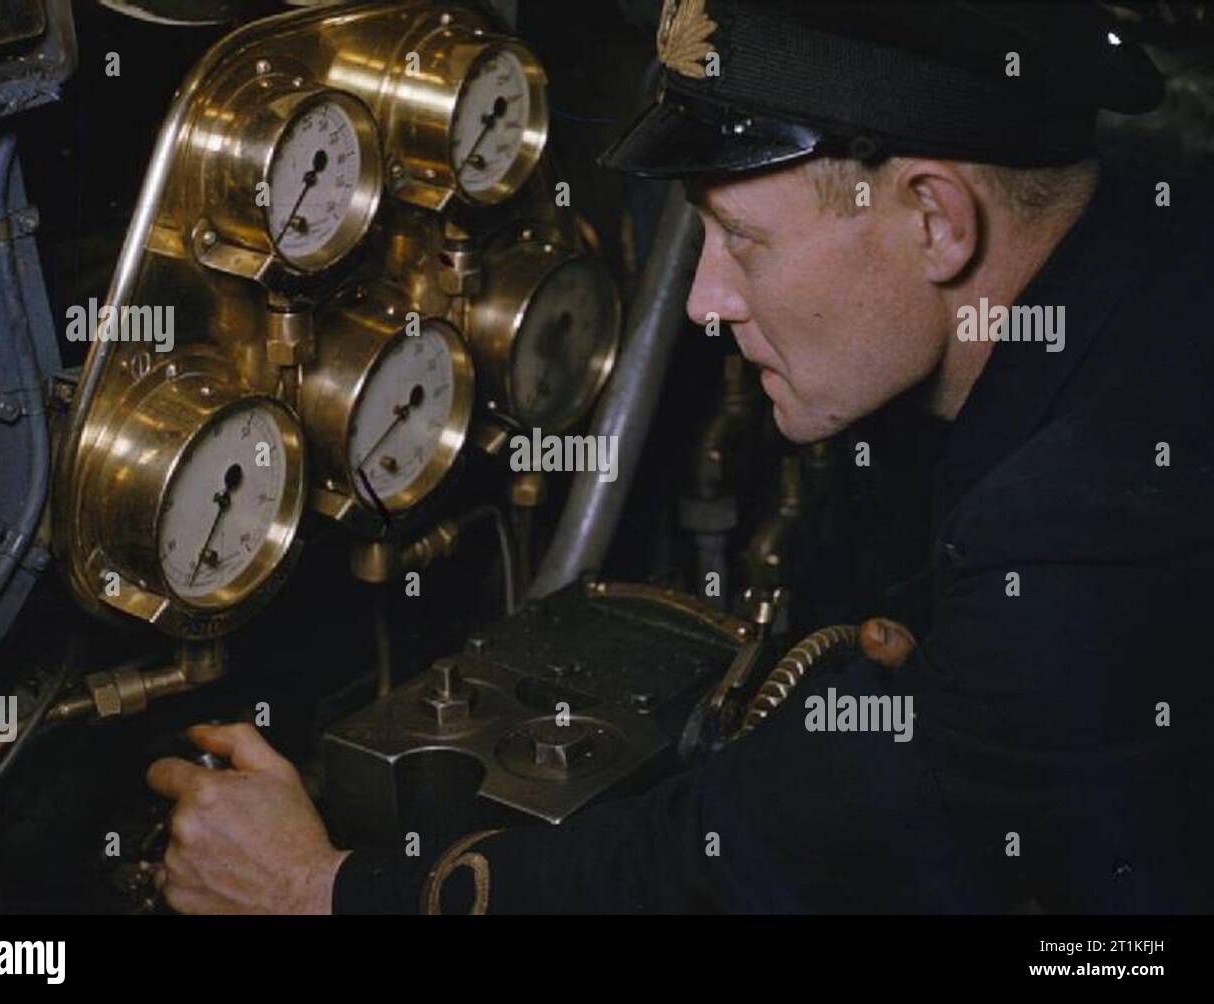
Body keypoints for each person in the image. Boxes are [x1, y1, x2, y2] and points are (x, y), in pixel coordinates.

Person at [146, 0, 1214, 914]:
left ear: (937, 219)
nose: (704, 301)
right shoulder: (1142, 281)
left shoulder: (1089, 530)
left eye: (740, 237)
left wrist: (321, 890)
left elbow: (721, 874)